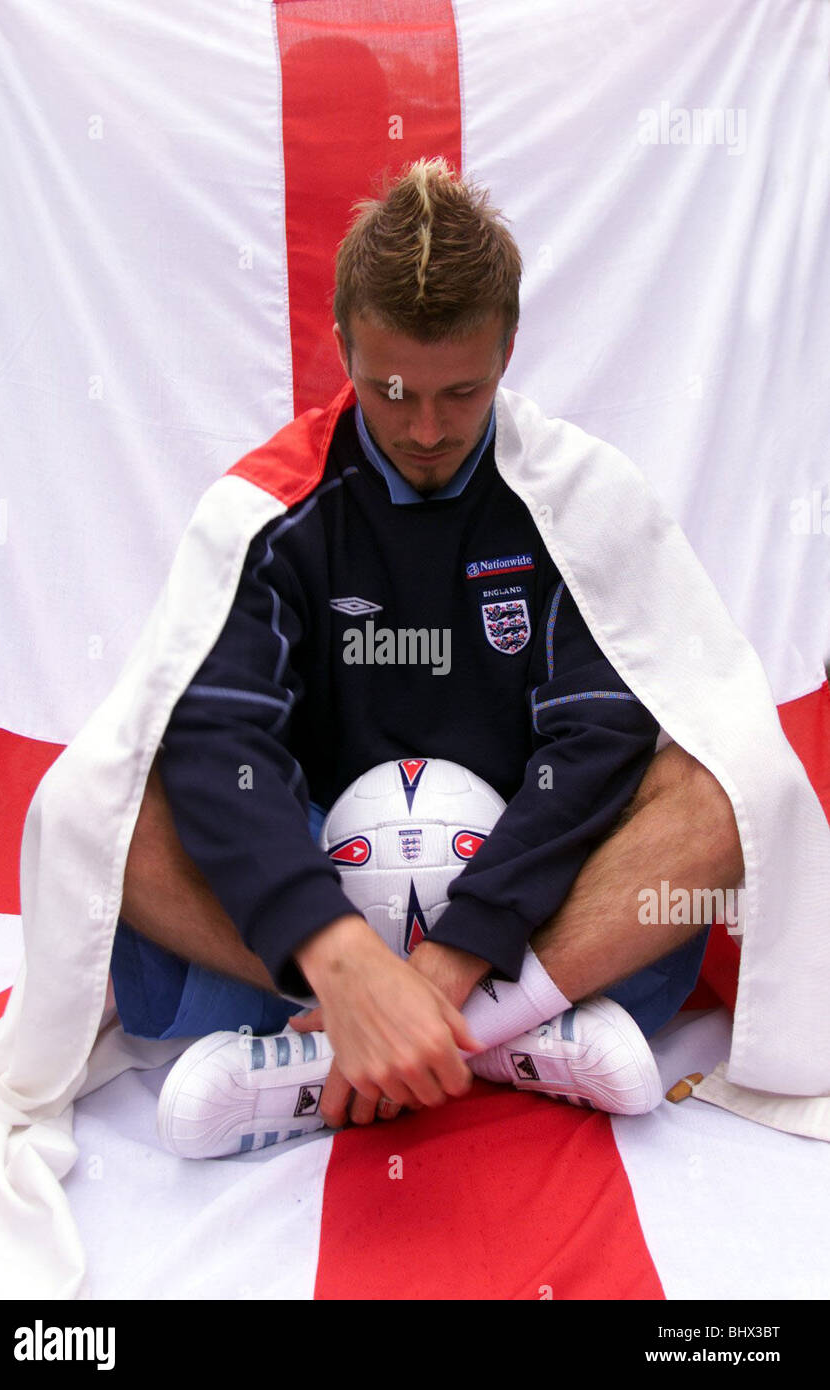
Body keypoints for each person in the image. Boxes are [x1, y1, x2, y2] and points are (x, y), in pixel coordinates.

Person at [112, 157, 744, 1158]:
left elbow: (598, 739)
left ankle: (414, 1039)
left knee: (722, 786)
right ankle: (460, 1033)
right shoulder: (268, 506)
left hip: (525, 902)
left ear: (508, 348)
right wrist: (337, 953)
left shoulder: (577, 497)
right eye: (390, 390)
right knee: (110, 791)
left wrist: (454, 960)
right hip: (319, 882)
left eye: (463, 391)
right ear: (340, 348)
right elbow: (216, 735)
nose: (425, 429)